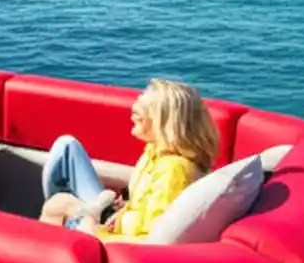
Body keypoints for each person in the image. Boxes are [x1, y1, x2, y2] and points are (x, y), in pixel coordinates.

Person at [38, 79, 219, 242]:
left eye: (140, 115)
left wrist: (94, 232)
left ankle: (49, 261)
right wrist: (121, 205)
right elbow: (143, 201)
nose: (132, 116)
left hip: (111, 242)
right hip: (117, 220)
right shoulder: (155, 152)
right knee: (66, 152)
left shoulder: (174, 172)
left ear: (163, 123)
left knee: (56, 207)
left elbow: (154, 239)